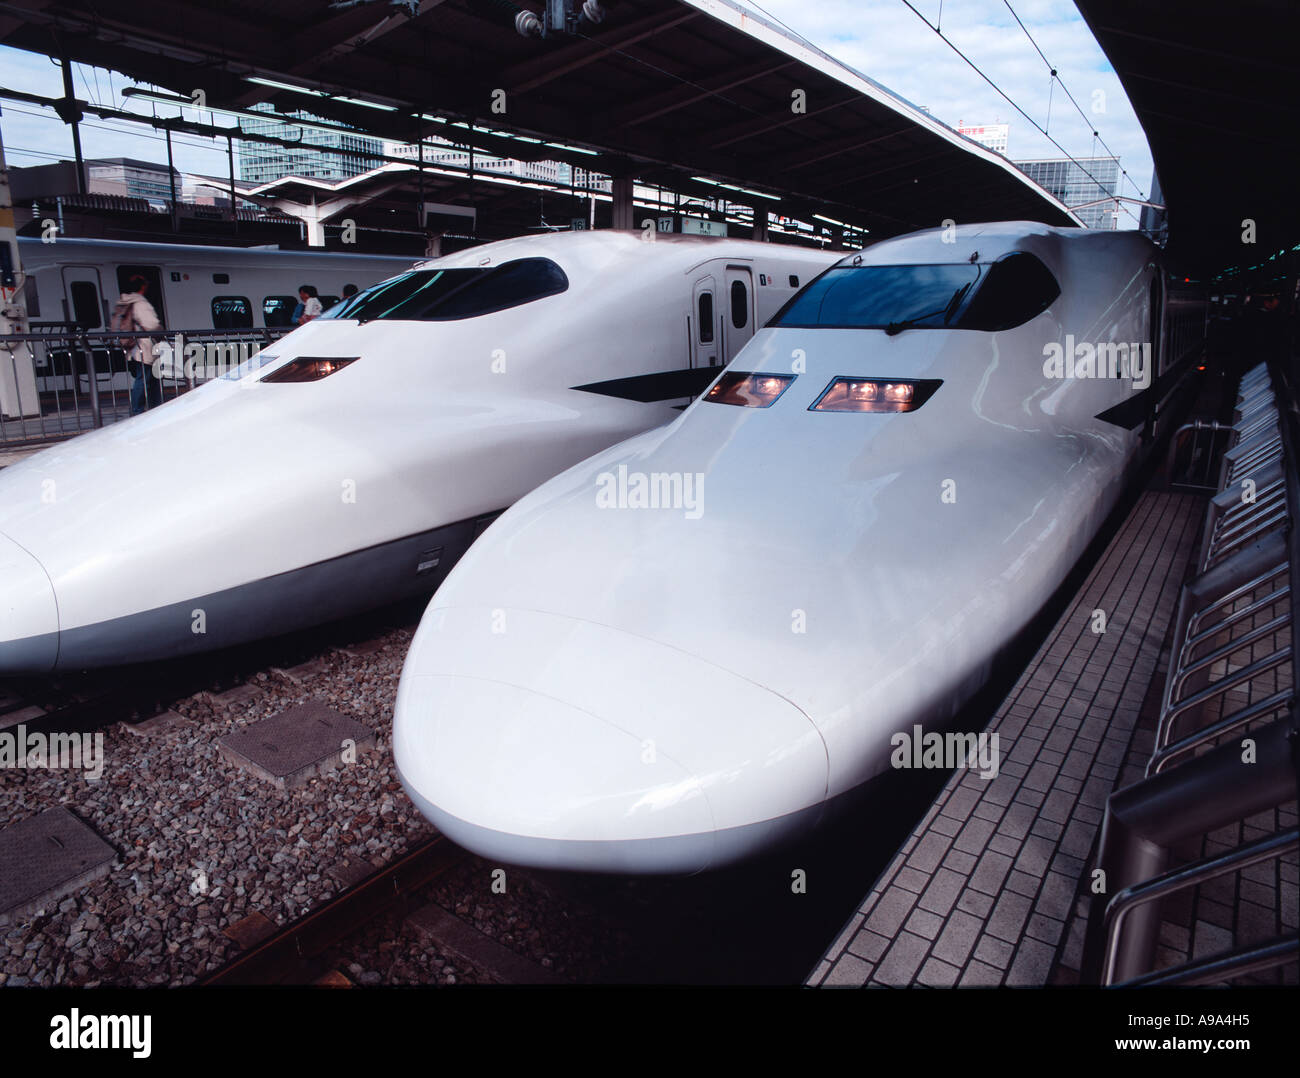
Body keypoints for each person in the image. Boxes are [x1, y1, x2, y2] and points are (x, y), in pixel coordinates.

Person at [111, 274, 163, 415]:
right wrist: (162, 333)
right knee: (144, 379)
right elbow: (152, 325)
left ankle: (154, 407)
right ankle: (137, 410)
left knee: (148, 378)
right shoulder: (140, 303)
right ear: (143, 287)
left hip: (133, 347)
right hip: (145, 346)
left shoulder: (124, 302)